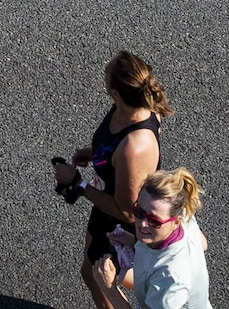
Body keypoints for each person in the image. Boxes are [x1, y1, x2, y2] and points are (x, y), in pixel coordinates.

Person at [53, 51, 170, 309]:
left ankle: (162, 283)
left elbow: (127, 211)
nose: (104, 70)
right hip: (106, 205)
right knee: (90, 272)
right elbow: (114, 149)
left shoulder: (135, 147)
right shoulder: (127, 105)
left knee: (100, 277)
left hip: (120, 221)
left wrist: (78, 183)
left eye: (107, 72)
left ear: (116, 93)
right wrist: (97, 155)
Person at [124, 168, 212, 309]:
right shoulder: (184, 214)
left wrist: (109, 289)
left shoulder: (170, 276)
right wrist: (132, 241)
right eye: (139, 211)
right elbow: (203, 244)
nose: (143, 224)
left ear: (176, 222)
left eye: (154, 221)